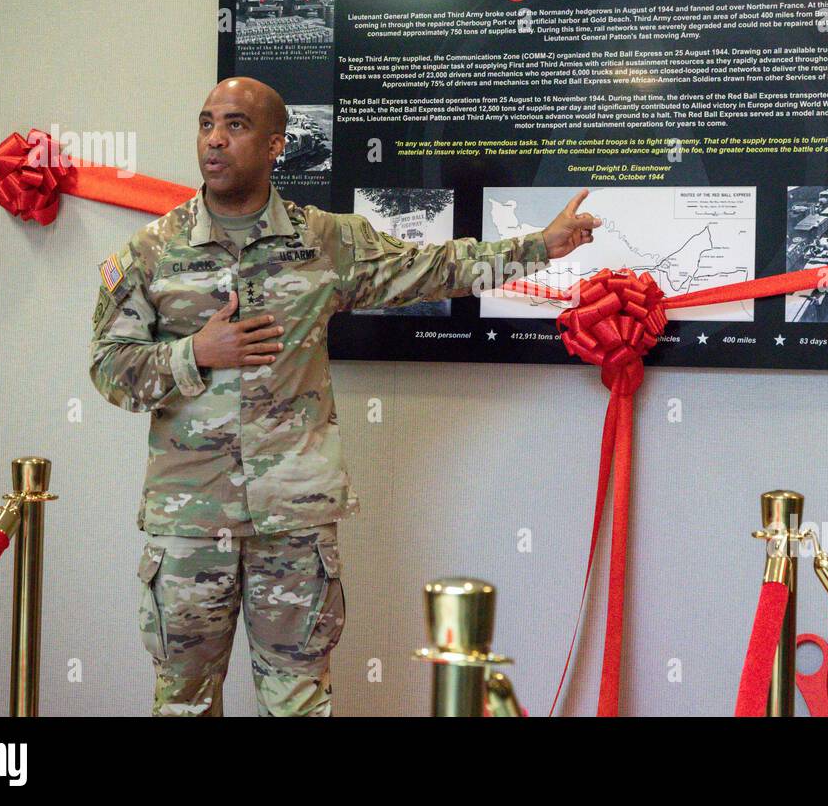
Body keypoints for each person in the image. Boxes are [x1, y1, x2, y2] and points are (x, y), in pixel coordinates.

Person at [90, 77, 600, 716]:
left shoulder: (326, 241)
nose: (214, 140)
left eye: (236, 125)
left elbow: (431, 267)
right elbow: (110, 370)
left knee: (299, 705)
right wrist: (195, 353)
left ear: (277, 143)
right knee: (182, 706)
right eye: (205, 123)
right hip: (191, 522)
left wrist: (536, 249)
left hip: (294, 524)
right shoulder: (152, 252)